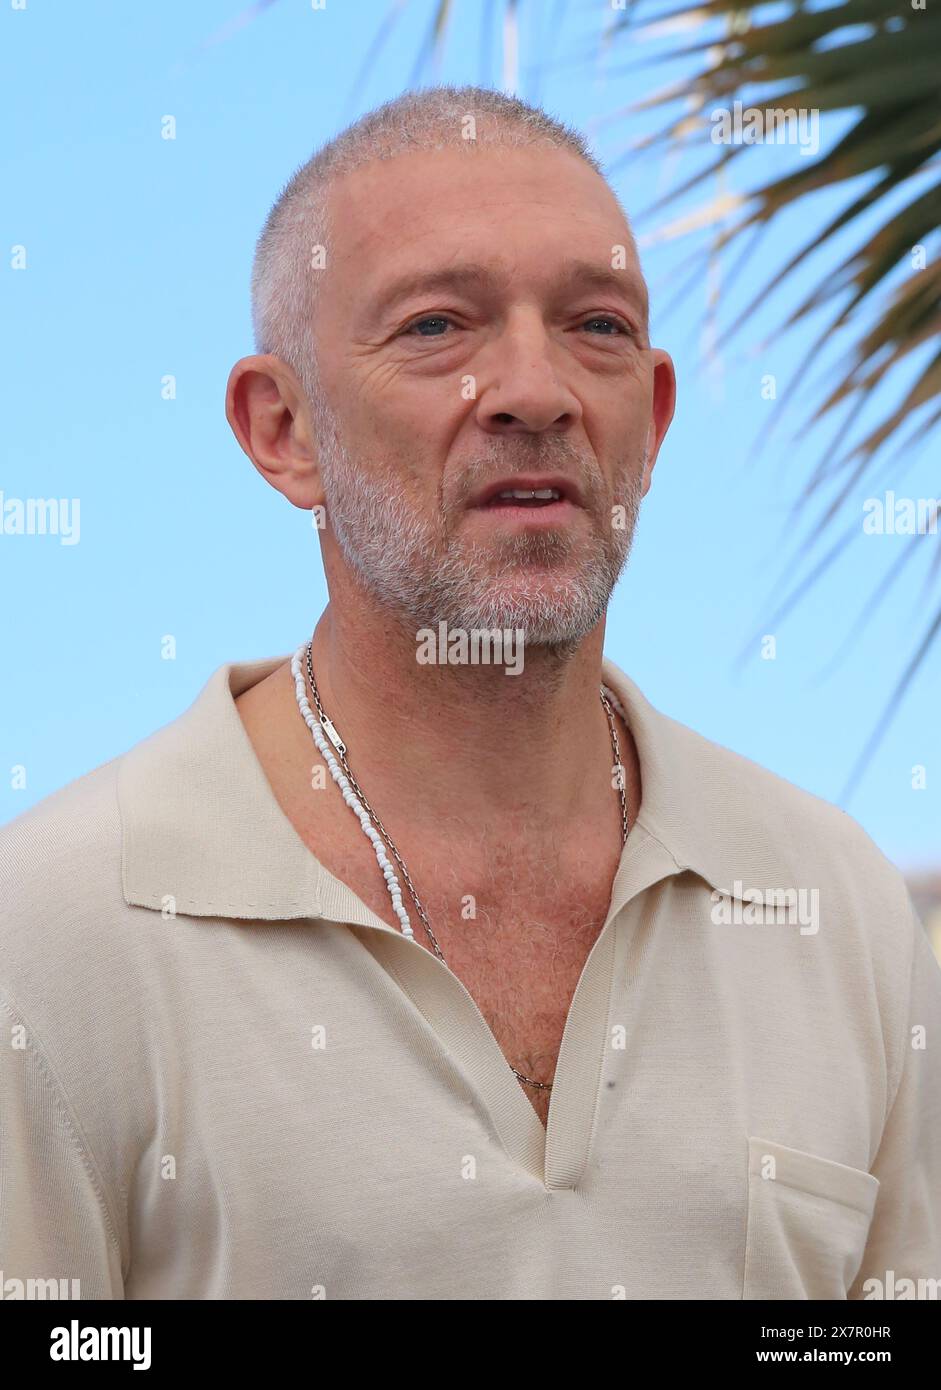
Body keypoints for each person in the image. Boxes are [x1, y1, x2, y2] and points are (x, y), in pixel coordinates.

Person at [1, 85, 938, 1301]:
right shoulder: (57, 932)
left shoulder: (831, 905)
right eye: (438, 326)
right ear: (281, 429)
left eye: (594, 325)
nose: (533, 391)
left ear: (648, 424)